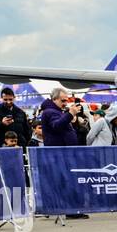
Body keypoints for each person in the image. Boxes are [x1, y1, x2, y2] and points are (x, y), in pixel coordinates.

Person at [39, 88, 89, 219]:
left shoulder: (56, 111)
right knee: (66, 181)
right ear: (54, 99)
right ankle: (70, 210)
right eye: (63, 100)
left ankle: (71, 209)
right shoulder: (50, 112)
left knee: (68, 181)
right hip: (59, 153)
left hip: (64, 152)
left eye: (67, 100)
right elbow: (56, 126)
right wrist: (70, 114)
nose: (66, 103)